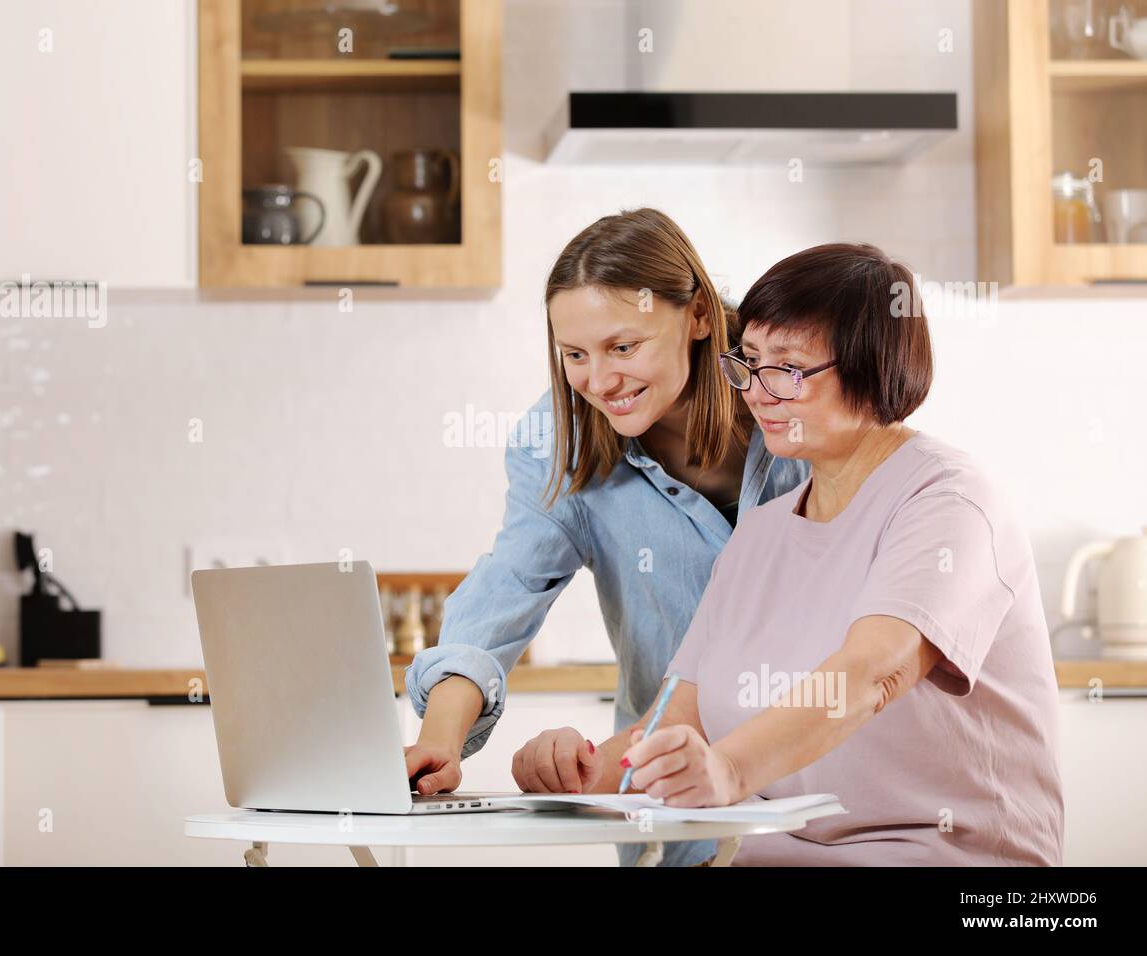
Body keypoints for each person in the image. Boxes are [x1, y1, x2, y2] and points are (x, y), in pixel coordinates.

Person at [512, 242, 1063, 865]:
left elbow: (870, 674)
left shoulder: (948, 501)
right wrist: (577, 773)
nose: (757, 392)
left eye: (789, 369)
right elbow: (673, 726)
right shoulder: (763, 532)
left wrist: (728, 769)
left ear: (873, 366)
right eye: (747, 364)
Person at [403, 208, 808, 867]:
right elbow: (505, 589)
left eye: (624, 347)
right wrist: (439, 741)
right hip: (681, 824)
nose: (599, 380)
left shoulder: (793, 398)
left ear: (699, 315)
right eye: (575, 355)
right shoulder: (558, 445)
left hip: (829, 815)